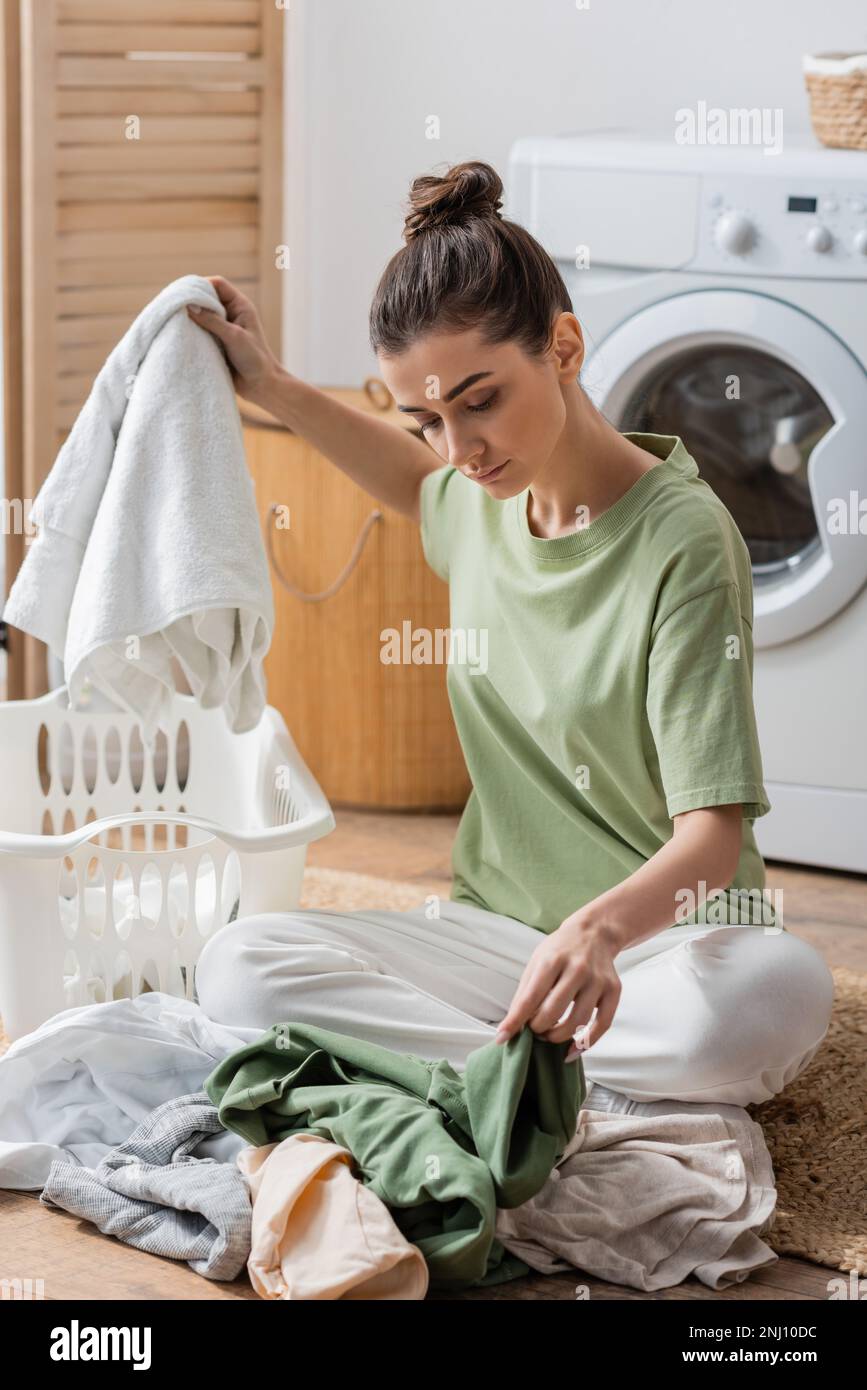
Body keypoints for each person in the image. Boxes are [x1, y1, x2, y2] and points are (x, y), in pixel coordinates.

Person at [187, 159, 834, 1107]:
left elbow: (709, 838)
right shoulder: (481, 500)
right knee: (239, 967)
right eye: (428, 419)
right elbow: (414, 484)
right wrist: (269, 382)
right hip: (499, 940)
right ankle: (526, 1071)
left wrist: (603, 933)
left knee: (770, 999)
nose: (460, 450)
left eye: (480, 400)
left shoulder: (685, 542)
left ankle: (464, 1067)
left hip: (665, 943)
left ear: (562, 348)